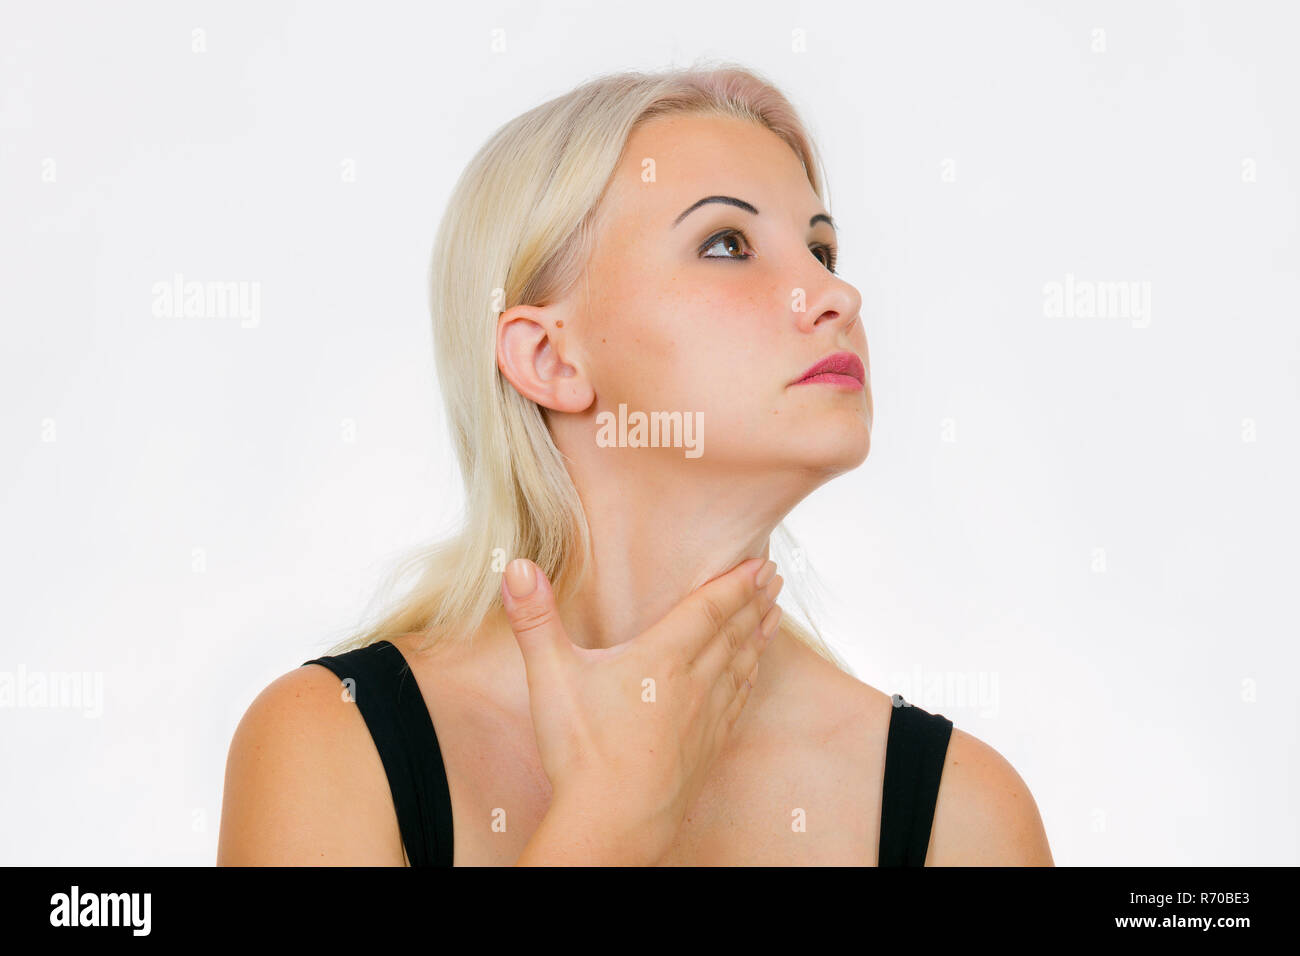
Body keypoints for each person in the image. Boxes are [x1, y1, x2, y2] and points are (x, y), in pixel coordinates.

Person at [217, 62, 1054, 866]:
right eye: (728, 243)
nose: (837, 296)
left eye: (822, 252)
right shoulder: (335, 743)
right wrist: (610, 819)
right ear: (548, 358)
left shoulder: (961, 811)